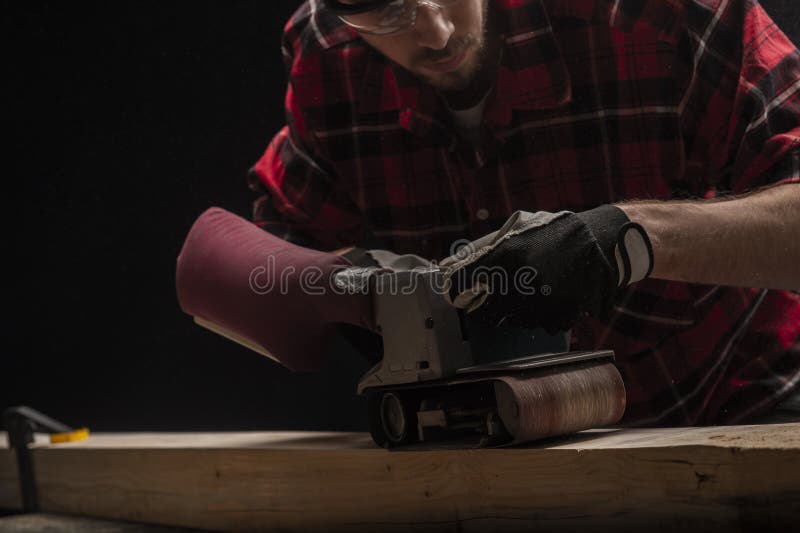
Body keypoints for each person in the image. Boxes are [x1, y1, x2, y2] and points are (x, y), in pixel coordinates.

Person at [246, 0, 800, 426]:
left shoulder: (662, 13)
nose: (435, 33)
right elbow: (275, 243)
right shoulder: (325, 53)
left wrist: (628, 240)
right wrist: (360, 298)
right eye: (387, 12)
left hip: (732, 406)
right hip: (505, 448)